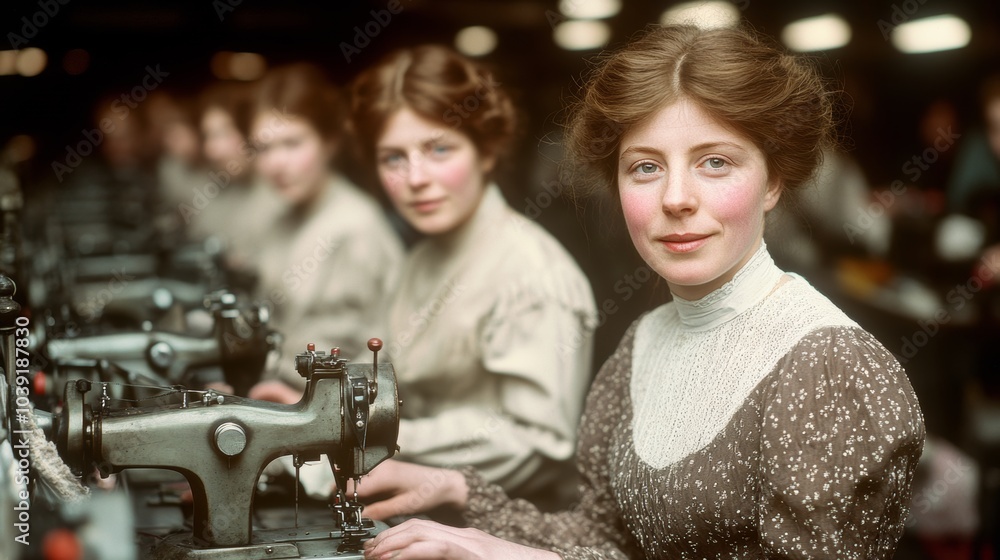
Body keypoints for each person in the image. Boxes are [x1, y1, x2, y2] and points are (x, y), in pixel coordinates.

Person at [355, 24, 926, 559]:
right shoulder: (641, 342)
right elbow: (604, 538)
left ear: (774, 180)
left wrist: (515, 555)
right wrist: (457, 491)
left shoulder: (828, 367)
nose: (676, 198)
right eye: (645, 168)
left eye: (715, 162)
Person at [348, 45, 598, 508]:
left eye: (438, 148)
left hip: (507, 526)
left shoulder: (533, 275)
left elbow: (535, 443)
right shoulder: (421, 257)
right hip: (418, 509)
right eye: (393, 158)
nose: (415, 177)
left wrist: (364, 431)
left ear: (486, 152)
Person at [246, 63, 403, 404]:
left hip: (331, 412)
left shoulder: (356, 227)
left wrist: (307, 406)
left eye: (292, 143)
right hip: (281, 392)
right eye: (263, 148)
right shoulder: (281, 217)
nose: (276, 163)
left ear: (329, 142)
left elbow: (380, 355)